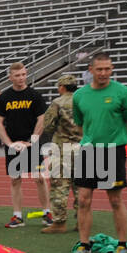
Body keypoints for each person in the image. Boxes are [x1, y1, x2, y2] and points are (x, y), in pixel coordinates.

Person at [66, 52, 127, 253]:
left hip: (113, 151)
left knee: (115, 200)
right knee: (83, 199)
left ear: (112, 68)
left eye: (107, 69)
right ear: (91, 70)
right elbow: (80, 125)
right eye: (99, 69)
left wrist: (119, 141)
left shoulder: (123, 93)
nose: (104, 73)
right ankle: (84, 246)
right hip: (89, 151)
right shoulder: (80, 96)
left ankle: (122, 246)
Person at [0, 61, 49, 229]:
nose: (21, 78)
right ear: (10, 77)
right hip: (14, 144)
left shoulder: (34, 96)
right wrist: (9, 143)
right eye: (17, 75)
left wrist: (32, 141)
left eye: (24, 74)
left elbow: (42, 119)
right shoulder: (4, 97)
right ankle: (17, 216)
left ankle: (47, 213)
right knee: (15, 179)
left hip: (32, 143)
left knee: (39, 178)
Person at [39, 74, 82, 234]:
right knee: (81, 187)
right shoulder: (83, 100)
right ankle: (81, 220)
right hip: (83, 148)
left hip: (62, 148)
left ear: (62, 87)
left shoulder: (57, 102)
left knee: (59, 186)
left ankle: (59, 222)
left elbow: (48, 126)